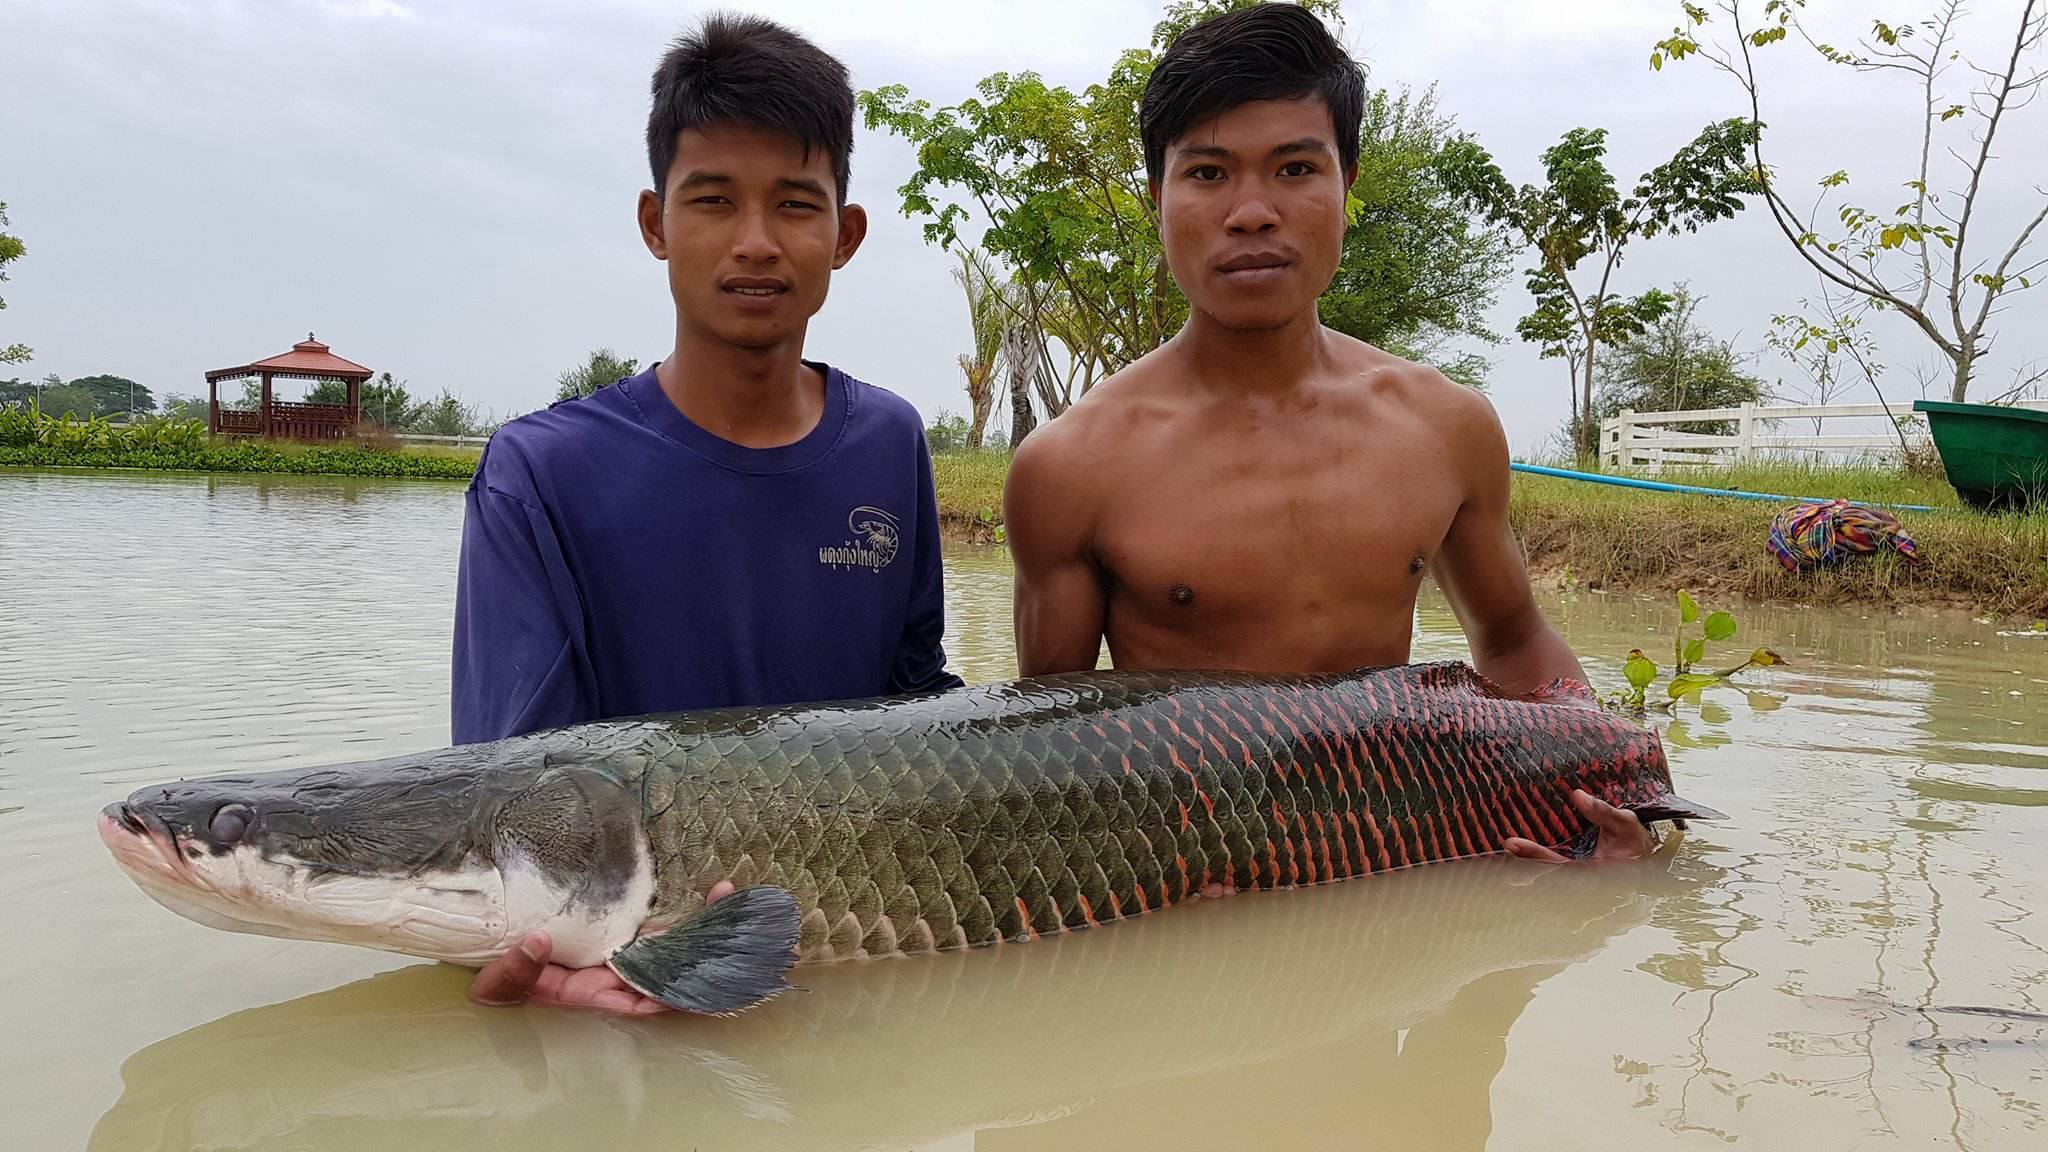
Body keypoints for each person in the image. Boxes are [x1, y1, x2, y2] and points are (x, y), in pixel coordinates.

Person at [1003, 3, 1652, 868]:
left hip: (1402, 857)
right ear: (1157, 196)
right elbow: (1051, 748)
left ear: (1347, 184)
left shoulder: (1444, 426)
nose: (1252, 212)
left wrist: (1610, 793)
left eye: (1296, 168)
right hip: (1198, 868)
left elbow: (1514, 642)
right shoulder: (1071, 465)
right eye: (1207, 173)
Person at [453, 13, 962, 1014]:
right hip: (633, 977)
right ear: (655, 223)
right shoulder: (540, 471)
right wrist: (558, 977)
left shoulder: (888, 441)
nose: (755, 243)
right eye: (714, 200)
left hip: (857, 957)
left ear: (845, 235)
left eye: (795, 204)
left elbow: (920, 714)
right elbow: (509, 798)